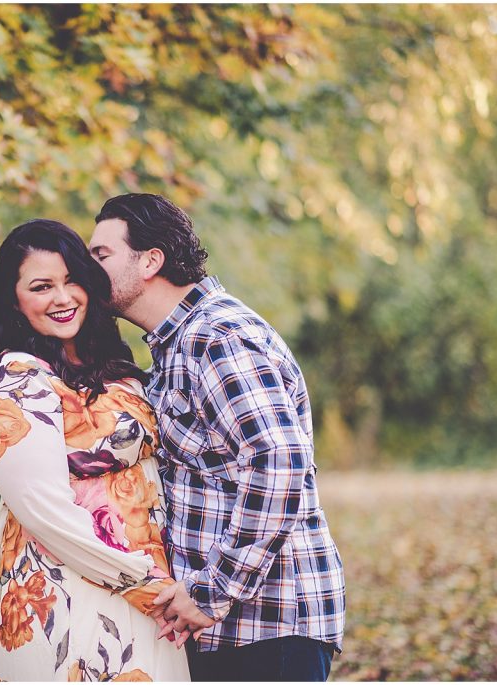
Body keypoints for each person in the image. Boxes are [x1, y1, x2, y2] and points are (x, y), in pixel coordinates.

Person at [89, 194, 346, 682]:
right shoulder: (177, 345)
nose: (89, 267)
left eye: (101, 254)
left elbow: (279, 462)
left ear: (150, 261)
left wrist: (212, 593)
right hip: (232, 632)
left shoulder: (216, 336)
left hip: (268, 630)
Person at [0, 219, 191, 682]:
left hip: (147, 588)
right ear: (13, 299)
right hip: (73, 586)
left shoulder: (111, 366)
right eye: (42, 286)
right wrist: (148, 586)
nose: (63, 298)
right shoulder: (14, 381)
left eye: (72, 280)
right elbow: (45, 511)